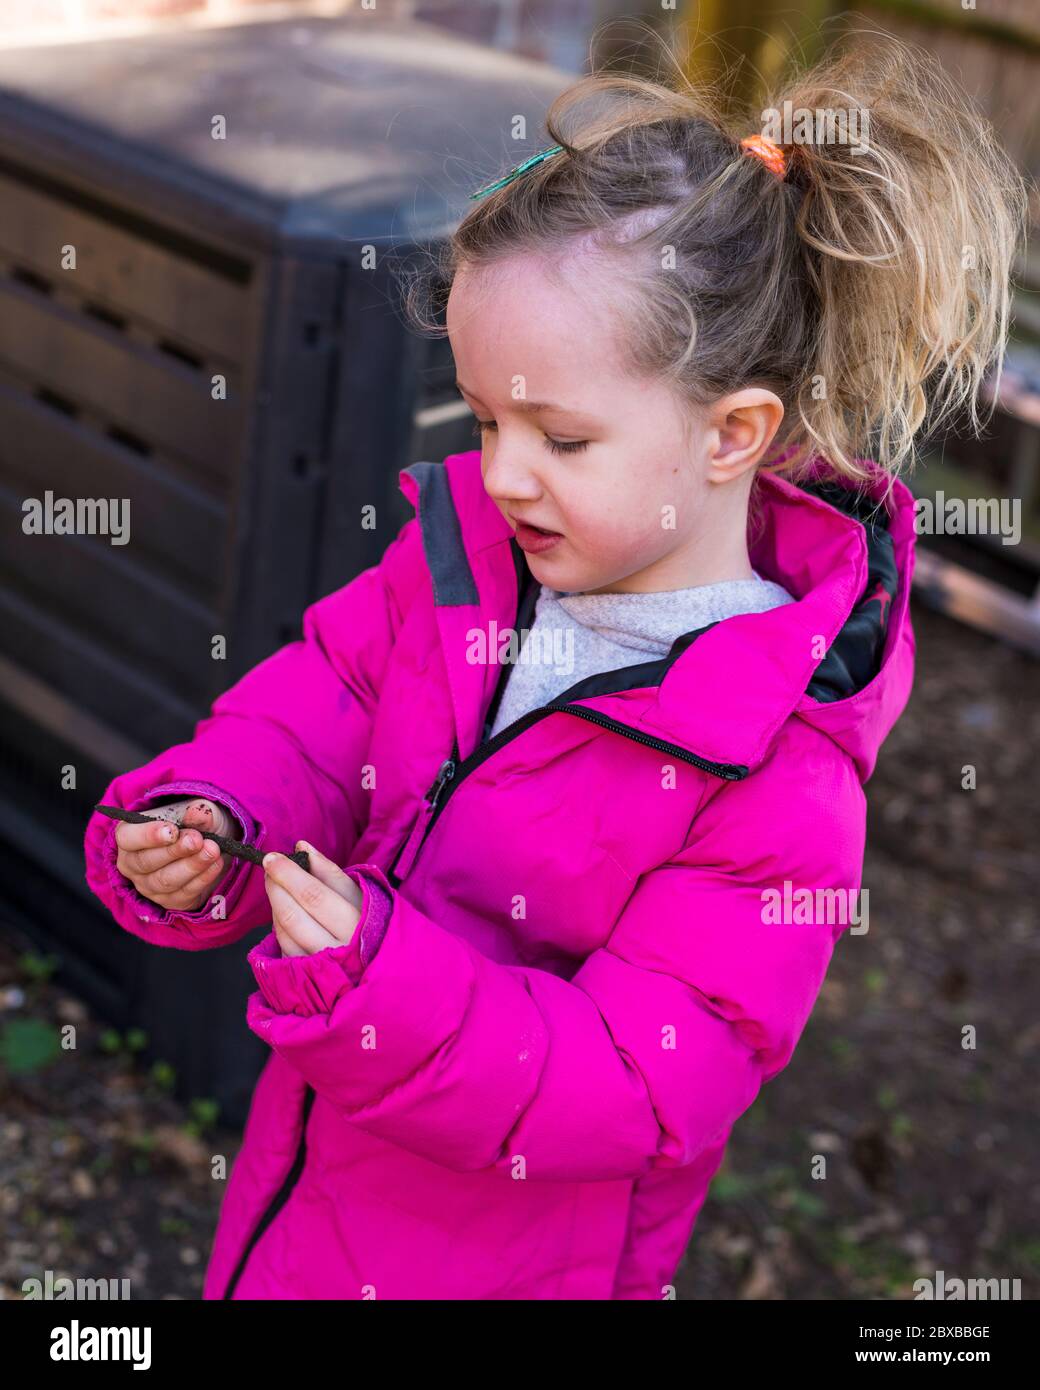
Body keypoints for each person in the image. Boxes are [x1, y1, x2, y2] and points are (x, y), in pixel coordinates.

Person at [83, 32, 1024, 1299]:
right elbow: (318, 714)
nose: (503, 470)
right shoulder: (459, 566)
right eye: (483, 417)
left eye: (561, 436)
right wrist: (214, 816)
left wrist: (378, 986)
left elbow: (638, 1084)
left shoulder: (779, 782)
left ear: (730, 434)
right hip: (306, 1206)